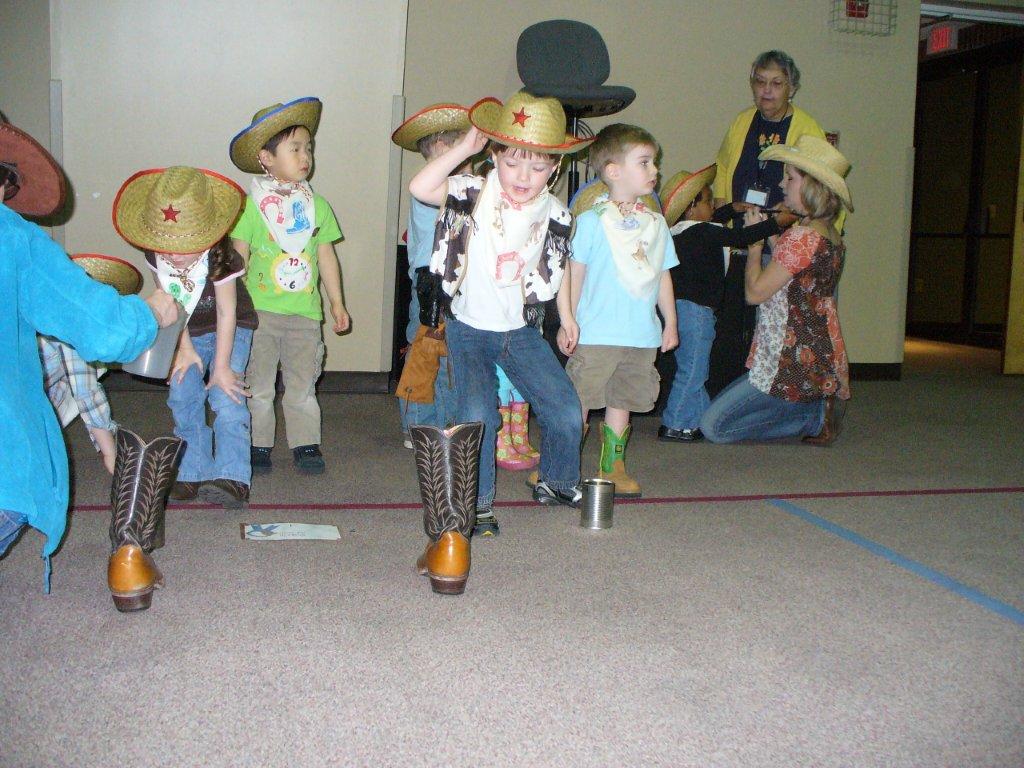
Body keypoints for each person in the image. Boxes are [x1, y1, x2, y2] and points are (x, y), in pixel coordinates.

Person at [0, 118, 178, 590]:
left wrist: (104, 438)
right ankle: (129, 558)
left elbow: (80, 382)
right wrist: (150, 313)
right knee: (19, 471)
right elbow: (97, 331)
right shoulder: (12, 236)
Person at [409, 91, 592, 545]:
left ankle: (558, 482)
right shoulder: (472, 191)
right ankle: (478, 503)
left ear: (555, 168)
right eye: (512, 163)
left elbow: (558, 266)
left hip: (519, 331)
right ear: (493, 157)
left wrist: (566, 317)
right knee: (477, 415)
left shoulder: (557, 214)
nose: (523, 176)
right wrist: (464, 149)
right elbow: (421, 188)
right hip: (469, 329)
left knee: (566, 410)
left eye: (537, 167)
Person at [114, 166, 258, 508]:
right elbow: (169, 304)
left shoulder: (224, 259)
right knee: (183, 392)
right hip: (186, 331)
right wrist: (183, 350)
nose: (174, 256)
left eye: (184, 246)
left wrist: (221, 367)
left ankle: (232, 475)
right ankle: (192, 471)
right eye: (166, 247)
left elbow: (227, 313)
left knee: (226, 394)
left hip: (230, 329)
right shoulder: (157, 256)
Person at [700, 135, 853, 444]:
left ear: (812, 186)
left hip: (786, 360)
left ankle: (810, 418)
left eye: (791, 178)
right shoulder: (828, 235)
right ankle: (809, 408)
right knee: (721, 406)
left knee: (714, 428)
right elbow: (795, 276)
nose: (783, 185)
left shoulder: (801, 238)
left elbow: (755, 293)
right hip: (811, 354)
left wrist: (754, 244)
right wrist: (771, 236)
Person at [229, 97, 350, 475]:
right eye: (294, 148)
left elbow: (327, 255)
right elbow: (239, 256)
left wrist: (336, 302)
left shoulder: (318, 206)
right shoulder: (250, 206)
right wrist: (230, 307)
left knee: (302, 384)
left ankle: (305, 444)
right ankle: (258, 444)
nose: (305, 156)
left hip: (304, 314)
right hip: (261, 313)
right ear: (266, 157)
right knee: (258, 385)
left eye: (308, 148)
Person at [558, 124, 678, 498]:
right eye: (644, 162)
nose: (654, 170)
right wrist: (568, 320)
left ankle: (613, 465)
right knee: (578, 398)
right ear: (613, 171)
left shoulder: (656, 225)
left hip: (640, 334)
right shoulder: (592, 222)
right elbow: (574, 273)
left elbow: (661, 274)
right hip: (596, 333)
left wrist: (670, 322)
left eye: (654, 162)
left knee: (623, 398)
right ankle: (560, 465)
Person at [710, 50, 834, 398]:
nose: (767, 91)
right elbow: (722, 170)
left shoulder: (807, 128)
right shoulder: (741, 121)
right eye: (760, 82)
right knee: (736, 323)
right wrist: (725, 210)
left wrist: (779, 221)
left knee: (774, 326)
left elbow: (815, 193)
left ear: (791, 88)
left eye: (776, 84)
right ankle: (734, 390)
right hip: (743, 235)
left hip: (783, 242)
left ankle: (773, 394)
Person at [657, 163, 788, 442]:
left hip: (681, 310)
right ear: (692, 208)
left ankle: (695, 419)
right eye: (707, 199)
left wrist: (732, 208)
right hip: (697, 311)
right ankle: (674, 422)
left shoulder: (680, 233)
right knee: (693, 370)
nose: (713, 205)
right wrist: (777, 223)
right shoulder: (703, 232)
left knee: (692, 367)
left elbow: (715, 220)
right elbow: (739, 236)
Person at [390, 103, 470, 447]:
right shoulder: (433, 188)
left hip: (459, 280)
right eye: (464, 151)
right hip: (432, 281)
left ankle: (445, 424)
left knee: (451, 356)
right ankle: (418, 426)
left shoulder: (461, 186)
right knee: (425, 354)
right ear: (441, 151)